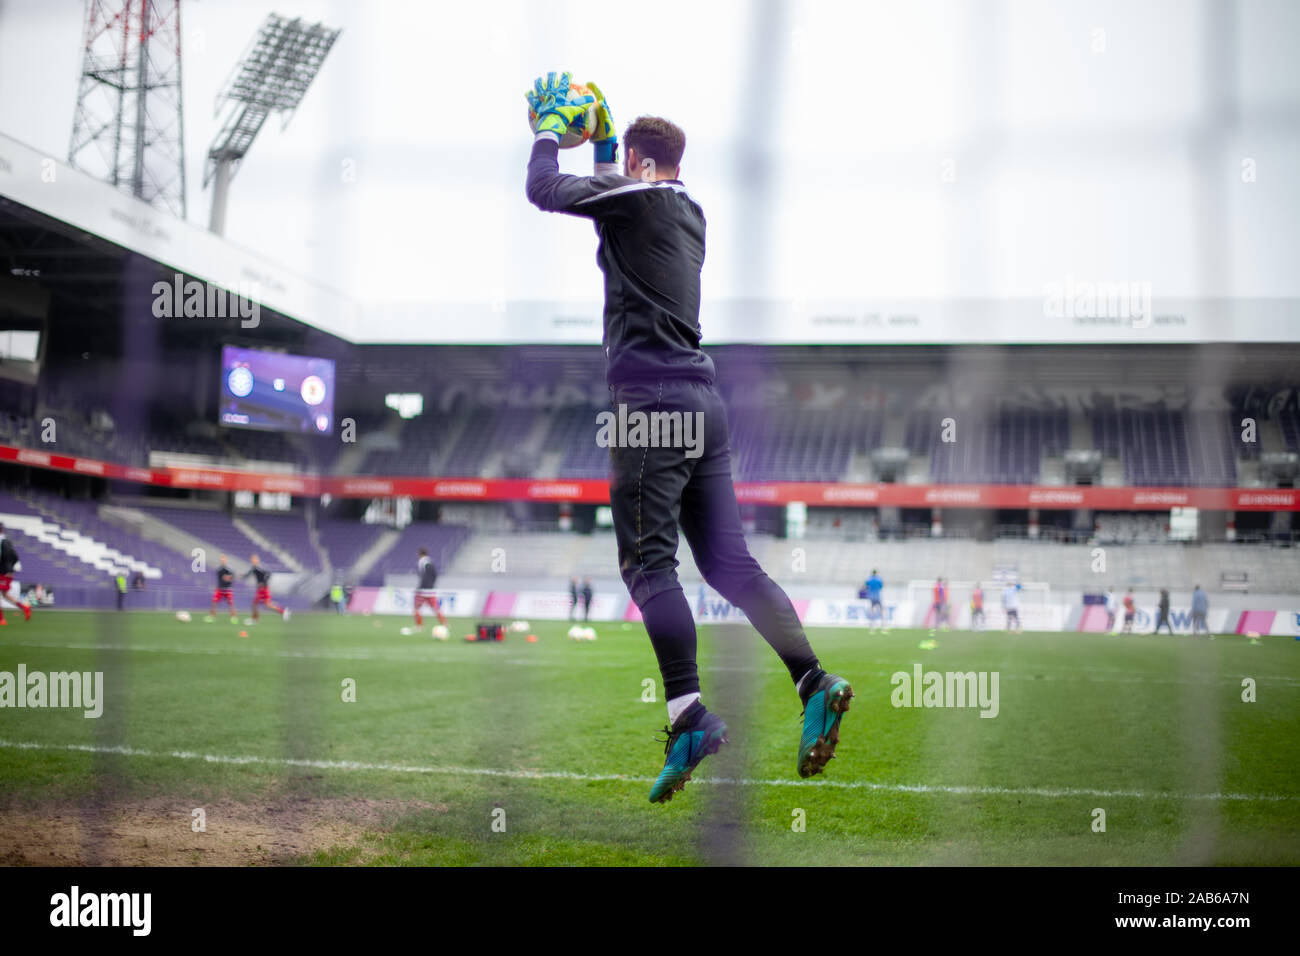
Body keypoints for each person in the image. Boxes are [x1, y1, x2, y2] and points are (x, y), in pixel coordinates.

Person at [526, 73, 852, 803]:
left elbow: (545, 189)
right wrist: (607, 137)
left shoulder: (634, 198)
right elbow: (609, 189)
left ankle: (690, 716)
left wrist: (551, 128)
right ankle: (813, 680)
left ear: (641, 165)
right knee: (730, 566)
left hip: (648, 401)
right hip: (705, 400)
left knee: (648, 564)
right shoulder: (685, 208)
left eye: (620, 159)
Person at [0, 523, 33, 625]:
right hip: (7, 571)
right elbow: (15, 557)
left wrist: (6, 569)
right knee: (5, 595)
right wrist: (10, 569)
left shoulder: (1, 542)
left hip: (3, 571)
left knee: (4, 595)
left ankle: (1, 619)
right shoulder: (7, 541)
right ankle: (24, 608)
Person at [244, 555, 288, 622]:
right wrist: (241, 576)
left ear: (257, 560)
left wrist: (263, 583)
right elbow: (247, 575)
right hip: (261, 589)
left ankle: (255, 619)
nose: (253, 561)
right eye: (252, 560)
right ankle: (283, 611)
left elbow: (268, 574)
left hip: (263, 589)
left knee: (257, 604)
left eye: (254, 559)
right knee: (266, 604)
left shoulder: (259, 567)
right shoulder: (254, 568)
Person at [414, 547, 447, 628]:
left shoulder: (422, 562)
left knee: (417, 608)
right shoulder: (430, 562)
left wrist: (420, 587)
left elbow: (424, 576)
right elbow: (435, 575)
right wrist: (432, 585)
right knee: (435, 608)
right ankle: (445, 624)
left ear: (419, 553)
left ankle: (419, 626)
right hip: (431, 590)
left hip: (423, 590)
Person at [208, 554, 237, 622]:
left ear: (225, 560)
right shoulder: (218, 569)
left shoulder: (229, 569)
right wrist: (226, 578)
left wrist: (228, 578)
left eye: (224, 559)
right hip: (220, 589)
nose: (222, 560)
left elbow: (232, 577)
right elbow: (220, 579)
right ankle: (212, 616)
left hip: (228, 589)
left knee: (231, 603)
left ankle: (233, 617)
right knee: (214, 602)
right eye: (221, 559)